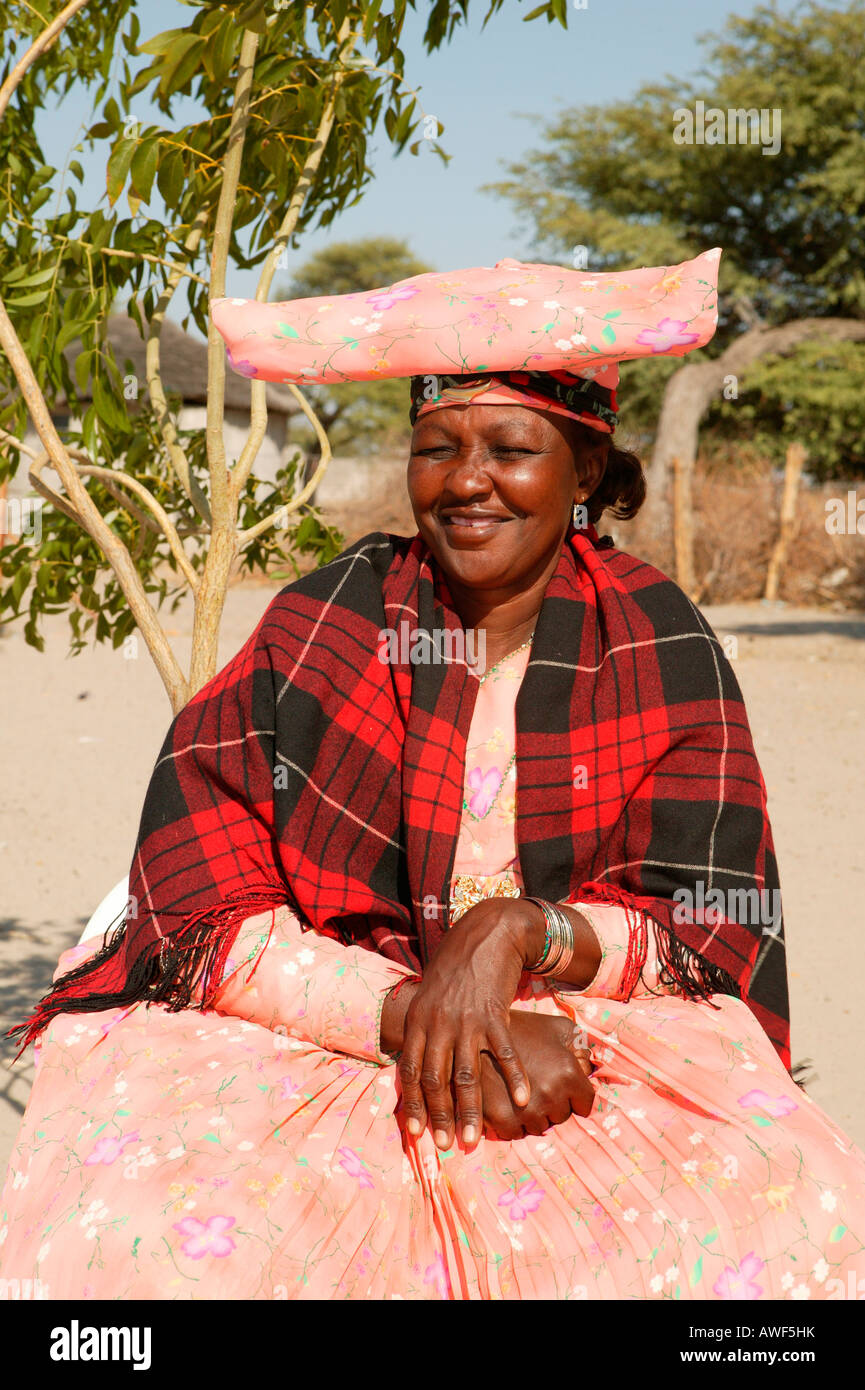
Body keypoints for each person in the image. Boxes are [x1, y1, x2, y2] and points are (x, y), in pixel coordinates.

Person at [1, 253, 863, 1301]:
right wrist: (425, 1014)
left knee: (783, 1213)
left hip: (585, 1030)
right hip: (334, 1018)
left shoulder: (655, 640)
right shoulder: (324, 624)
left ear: (584, 470)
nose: (465, 480)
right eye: (435, 447)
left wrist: (519, 934)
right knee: (149, 1236)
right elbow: (200, 904)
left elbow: (701, 922)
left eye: (511, 447)